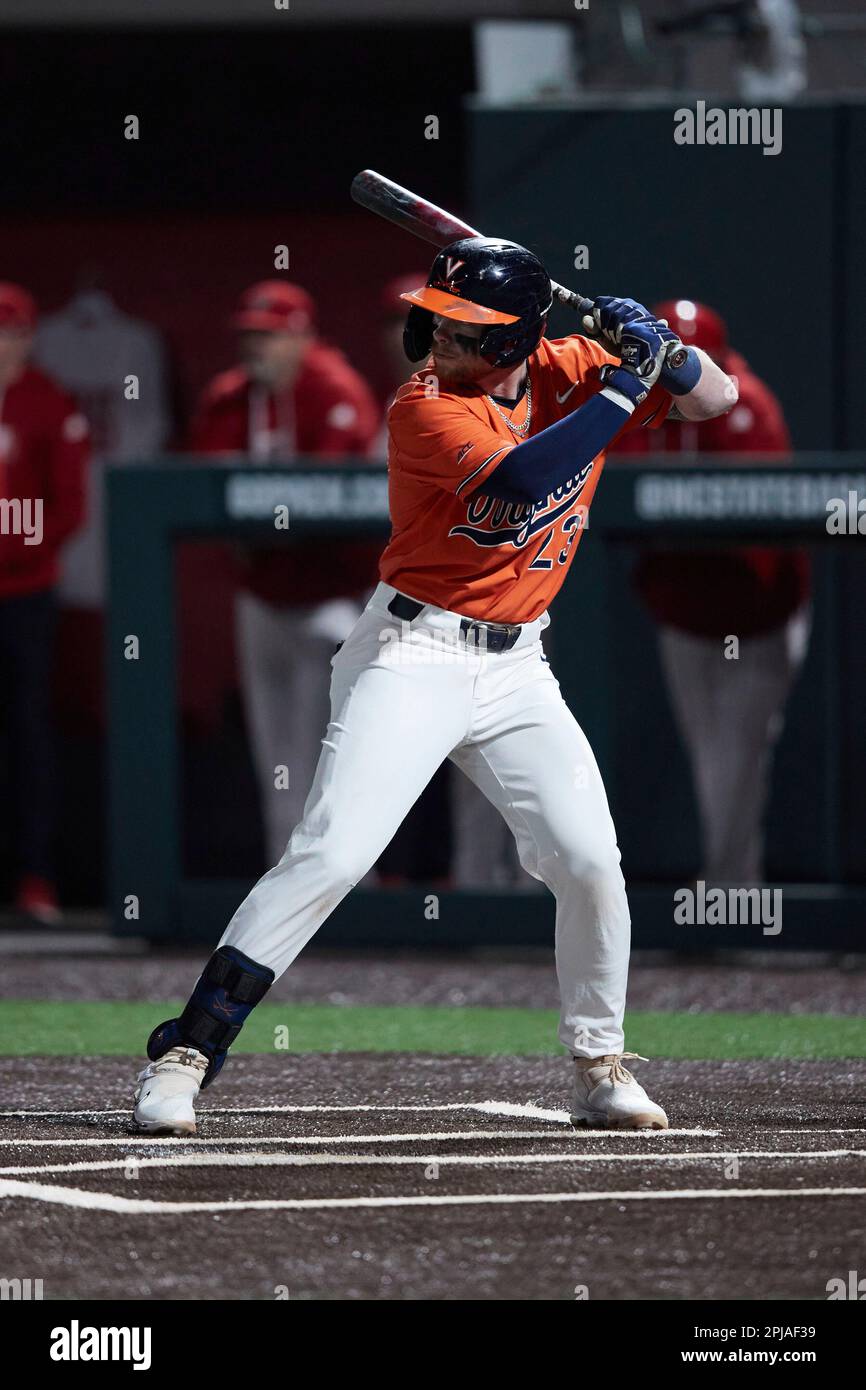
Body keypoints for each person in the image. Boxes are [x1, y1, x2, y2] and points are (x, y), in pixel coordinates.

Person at [133, 241, 735, 1136]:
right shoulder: (423, 409)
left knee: (589, 860)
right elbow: (525, 481)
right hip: (410, 655)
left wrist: (661, 347)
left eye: (468, 333)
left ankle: (601, 1063)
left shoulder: (566, 367)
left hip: (517, 664)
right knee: (334, 853)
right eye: (440, 325)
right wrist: (624, 382)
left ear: (518, 342)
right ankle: (186, 1053)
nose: (442, 345)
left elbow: (714, 398)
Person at [613, 298, 810, 883]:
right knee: (713, 758)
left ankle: (730, 900)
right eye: (664, 360)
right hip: (685, 613)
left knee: (739, 759)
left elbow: (753, 518)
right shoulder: (634, 403)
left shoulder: (745, 402)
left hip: (757, 614)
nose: (674, 374)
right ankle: (730, 899)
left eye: (687, 361)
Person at [188, 280, 380, 867]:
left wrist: (262, 524)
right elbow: (203, 488)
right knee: (274, 753)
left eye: (269, 337)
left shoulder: (334, 388)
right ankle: (282, 886)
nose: (256, 348)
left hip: (334, 595)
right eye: (249, 336)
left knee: (333, 752)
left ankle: (344, 885)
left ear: (302, 336)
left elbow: (329, 498)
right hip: (263, 594)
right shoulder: (229, 396)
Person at [0, 282, 89, 924]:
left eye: (10, 332)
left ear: (27, 337)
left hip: (24, 595)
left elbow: (65, 509)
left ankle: (35, 879)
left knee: (27, 734)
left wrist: (8, 534)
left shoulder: (47, 402)